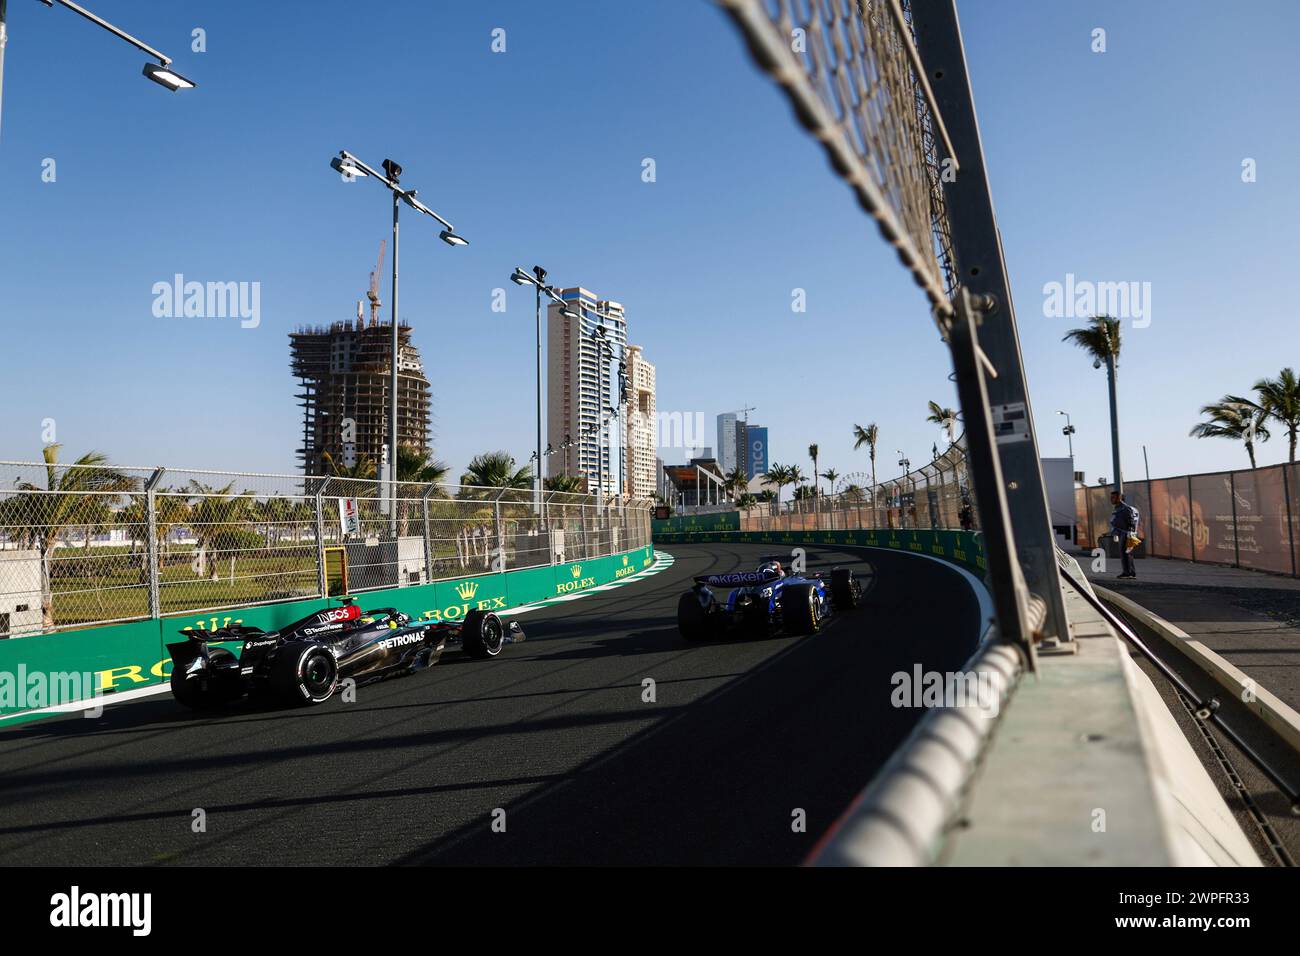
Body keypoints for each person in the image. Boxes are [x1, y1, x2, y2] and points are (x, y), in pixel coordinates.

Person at [1109, 489, 1141, 579]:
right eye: (1111, 497)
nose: (1111, 499)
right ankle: (1127, 572)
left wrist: (1130, 534)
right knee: (1124, 553)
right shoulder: (1117, 508)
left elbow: (1131, 521)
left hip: (1126, 534)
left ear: (1119, 498)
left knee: (1127, 553)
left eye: (1113, 497)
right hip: (1121, 533)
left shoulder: (1125, 508)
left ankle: (1129, 572)